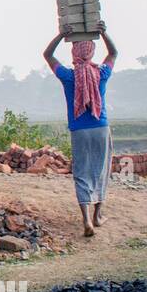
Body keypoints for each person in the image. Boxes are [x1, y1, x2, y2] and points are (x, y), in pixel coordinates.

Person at [43, 20, 118, 236]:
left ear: (74, 52)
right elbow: (113, 53)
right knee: (101, 170)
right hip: (100, 127)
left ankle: (86, 221)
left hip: (79, 130)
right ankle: (98, 215)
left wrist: (59, 35)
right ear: (91, 52)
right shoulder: (101, 73)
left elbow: (47, 55)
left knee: (82, 173)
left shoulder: (68, 76)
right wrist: (104, 33)